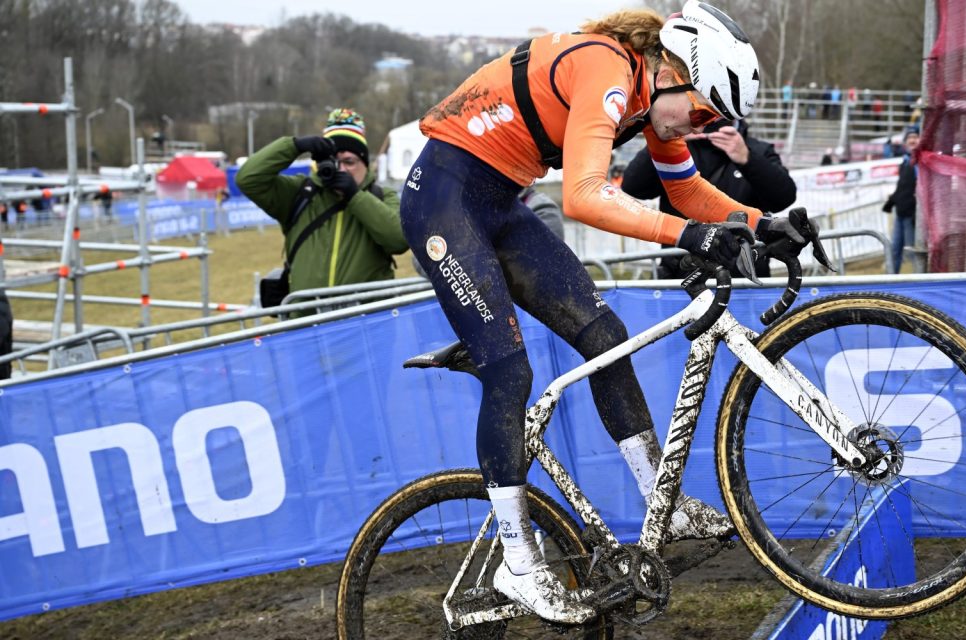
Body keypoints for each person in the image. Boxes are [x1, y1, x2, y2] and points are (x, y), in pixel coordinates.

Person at [403, 2, 809, 624]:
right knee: (510, 372)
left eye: (712, 121)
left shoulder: (654, 100)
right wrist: (689, 237)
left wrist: (761, 224)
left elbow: (688, 191)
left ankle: (660, 504)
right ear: (675, 70)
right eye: (701, 110)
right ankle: (519, 561)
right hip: (445, 201)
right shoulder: (607, 69)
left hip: (499, 201)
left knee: (606, 336)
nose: (699, 126)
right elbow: (584, 196)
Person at [235, 108, 408, 307]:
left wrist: (355, 196)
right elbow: (247, 179)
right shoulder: (300, 193)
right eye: (334, 162)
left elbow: (399, 239)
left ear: (365, 163)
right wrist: (294, 146)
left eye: (349, 162)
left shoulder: (382, 196)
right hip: (306, 322)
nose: (341, 169)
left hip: (365, 325)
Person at [621, 117, 796, 278]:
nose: (714, 117)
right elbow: (633, 186)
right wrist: (667, 139)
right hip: (681, 271)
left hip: (742, 274)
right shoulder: (677, 148)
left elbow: (784, 197)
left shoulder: (756, 149)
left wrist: (747, 159)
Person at [882, 128, 920, 274]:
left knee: (914, 252)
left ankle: (919, 281)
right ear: (905, 143)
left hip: (913, 216)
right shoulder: (904, 162)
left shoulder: (921, 162)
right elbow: (902, 187)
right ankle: (890, 283)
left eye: (915, 137)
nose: (912, 140)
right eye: (909, 137)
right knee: (895, 250)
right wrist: (891, 202)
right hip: (901, 214)